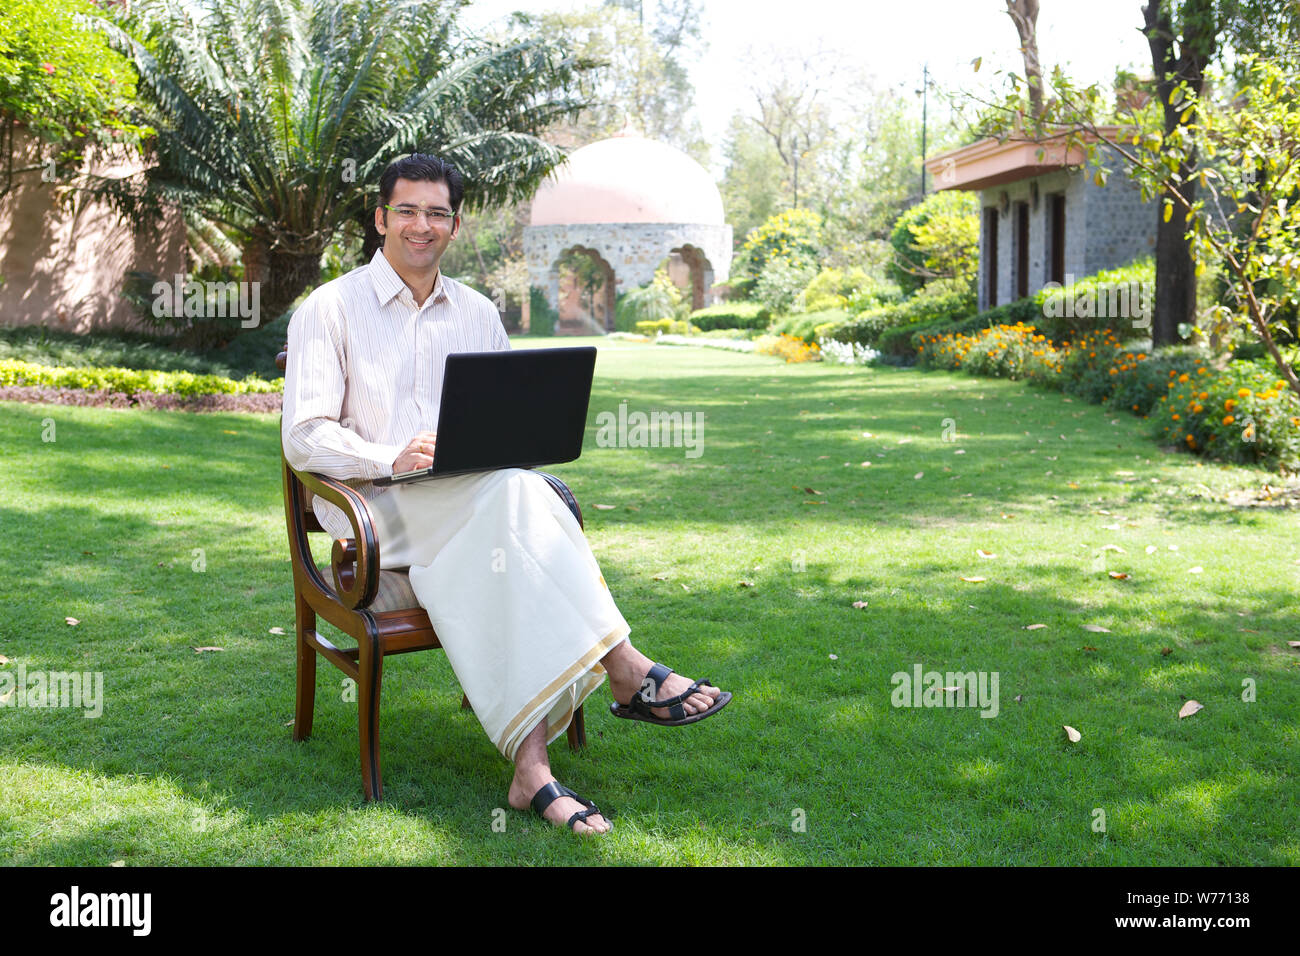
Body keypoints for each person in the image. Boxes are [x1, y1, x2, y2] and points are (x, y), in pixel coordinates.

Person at [281, 153, 730, 835]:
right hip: (374, 510)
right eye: (406, 210)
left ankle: (533, 773)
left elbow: (501, 419)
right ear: (380, 218)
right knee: (519, 498)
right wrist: (388, 455)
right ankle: (625, 665)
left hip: (473, 502)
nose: (421, 226)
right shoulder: (329, 310)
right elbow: (305, 437)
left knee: (510, 501)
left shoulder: (478, 313)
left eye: (436, 213)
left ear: (455, 225)